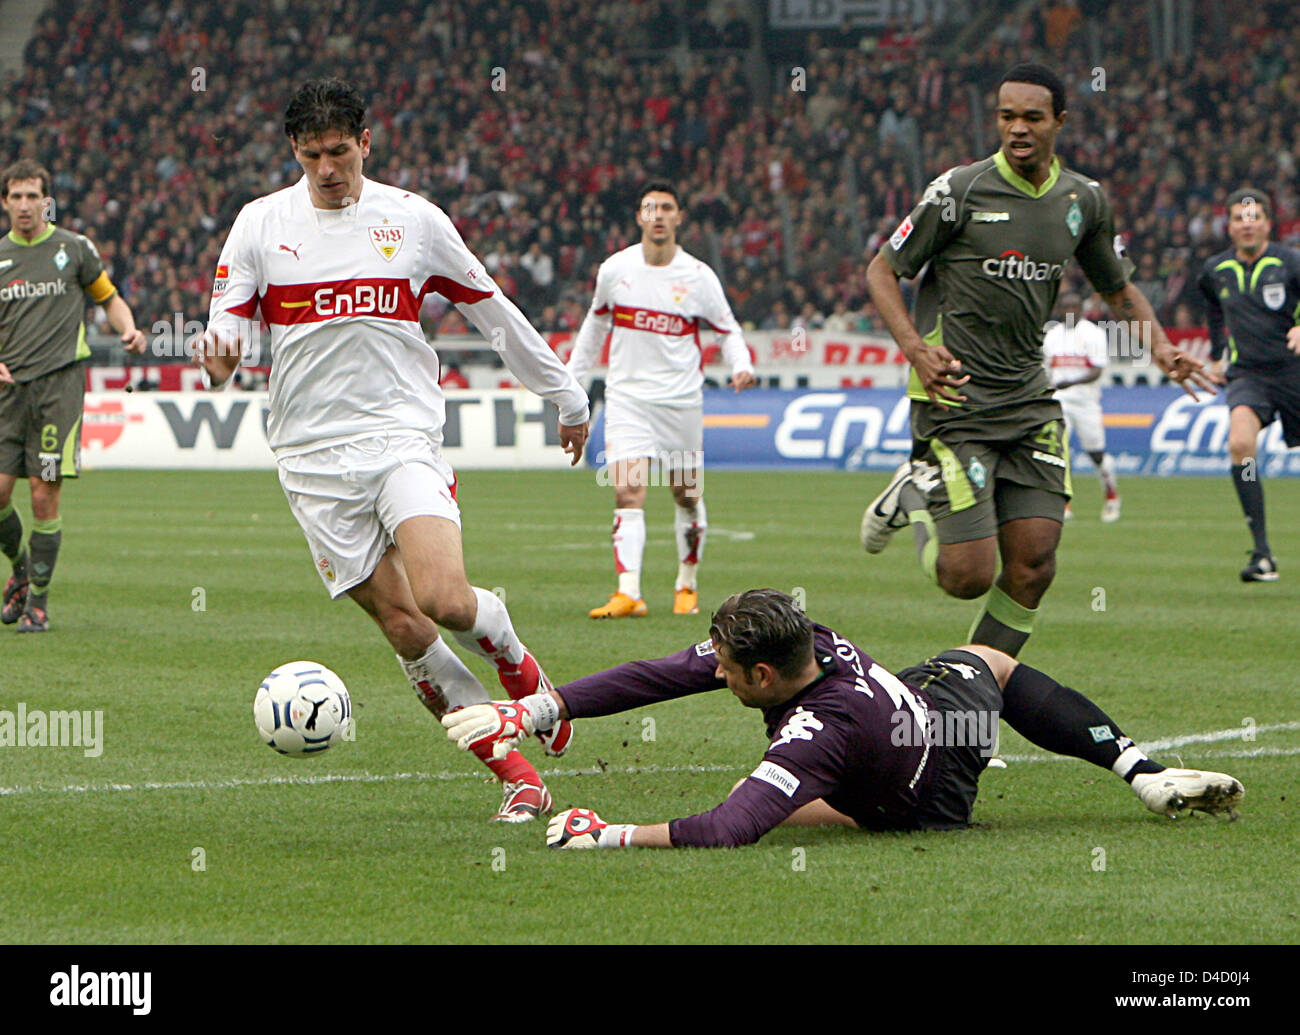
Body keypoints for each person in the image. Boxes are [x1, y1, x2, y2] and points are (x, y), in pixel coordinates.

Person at [193, 79, 590, 822]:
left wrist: (567, 398)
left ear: (366, 143)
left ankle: (510, 652)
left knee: (443, 597)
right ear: (294, 152)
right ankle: (517, 776)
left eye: (339, 152)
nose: (327, 169)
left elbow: (493, 313)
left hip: (401, 435)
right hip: (310, 459)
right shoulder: (258, 225)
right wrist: (216, 355)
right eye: (311, 156)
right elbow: (227, 345)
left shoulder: (412, 221)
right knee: (408, 627)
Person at [442, 589, 1244, 849]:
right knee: (987, 661)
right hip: (926, 714)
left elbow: (732, 827)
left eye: (725, 670)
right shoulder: (805, 639)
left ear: (763, 674)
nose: (712, 674)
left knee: (784, 800)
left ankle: (1127, 773)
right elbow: (661, 675)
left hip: (926, 799)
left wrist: (609, 831)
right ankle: (1141, 770)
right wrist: (534, 706)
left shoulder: (817, 728)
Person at [861, 63, 1211, 656]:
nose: (1017, 129)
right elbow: (882, 270)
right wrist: (916, 350)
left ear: (1059, 122)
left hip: (1029, 399)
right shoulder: (958, 191)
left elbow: (1118, 290)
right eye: (1006, 117)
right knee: (967, 576)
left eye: (1031, 117)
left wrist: (1161, 347)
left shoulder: (1084, 201)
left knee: (1034, 567)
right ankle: (914, 495)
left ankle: (970, 698)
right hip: (956, 398)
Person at [567, 182, 756, 620]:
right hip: (628, 399)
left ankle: (686, 585)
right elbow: (594, 328)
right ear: (639, 217)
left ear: (678, 218)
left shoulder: (697, 276)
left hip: (680, 403)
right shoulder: (615, 270)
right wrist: (572, 383)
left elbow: (727, 327)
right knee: (628, 491)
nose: (657, 215)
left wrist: (740, 363)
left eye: (666, 208)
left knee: (686, 494)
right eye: (649, 207)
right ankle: (628, 592)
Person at [0, 158, 147, 633]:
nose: (24, 205)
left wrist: (128, 328)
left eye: (32, 196)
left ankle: (38, 605)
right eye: (15, 196)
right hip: (7, 392)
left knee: (44, 496)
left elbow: (107, 296)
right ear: (5, 203)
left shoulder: (73, 249)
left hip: (58, 389)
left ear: (46, 201)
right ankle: (21, 570)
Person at [1196, 188, 1300, 582]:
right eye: (1240, 218)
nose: (1247, 223)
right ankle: (1262, 553)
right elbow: (1213, 308)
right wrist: (1219, 351)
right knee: (1240, 444)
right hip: (1249, 375)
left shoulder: (1290, 262)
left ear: (1268, 224)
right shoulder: (1215, 270)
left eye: (1254, 216)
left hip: (1294, 370)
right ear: (1230, 226)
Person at [1042, 293, 1121, 521]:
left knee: (1096, 453)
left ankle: (1111, 496)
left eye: (1074, 307)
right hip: (1060, 401)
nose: (1070, 311)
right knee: (1058, 452)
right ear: (1059, 309)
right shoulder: (1052, 336)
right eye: (1066, 307)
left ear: (1080, 309)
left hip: (1086, 401)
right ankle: (1063, 502)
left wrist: (1071, 382)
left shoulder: (1093, 334)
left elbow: (1097, 370)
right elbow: (1047, 370)